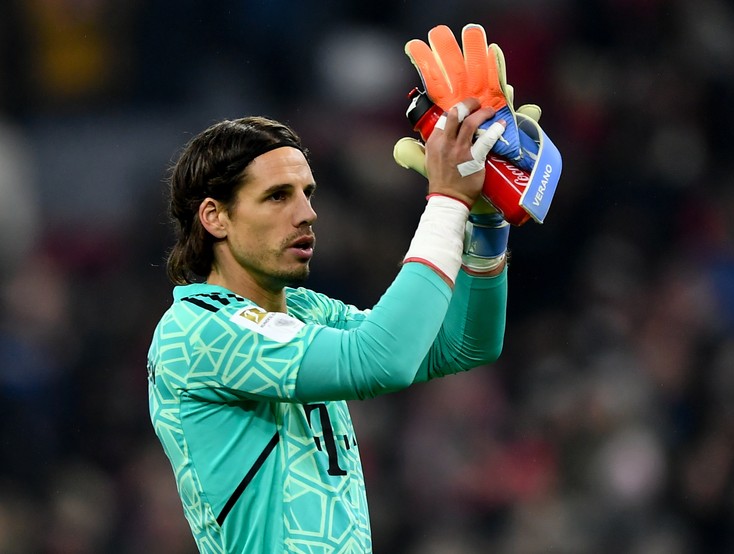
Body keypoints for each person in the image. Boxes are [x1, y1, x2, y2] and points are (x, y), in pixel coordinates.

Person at [147, 97, 511, 552]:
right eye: (278, 196)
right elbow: (383, 360)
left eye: (307, 193)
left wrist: (484, 216)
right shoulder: (196, 329)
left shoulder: (307, 312)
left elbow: (463, 344)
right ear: (214, 217)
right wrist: (448, 201)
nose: (306, 213)